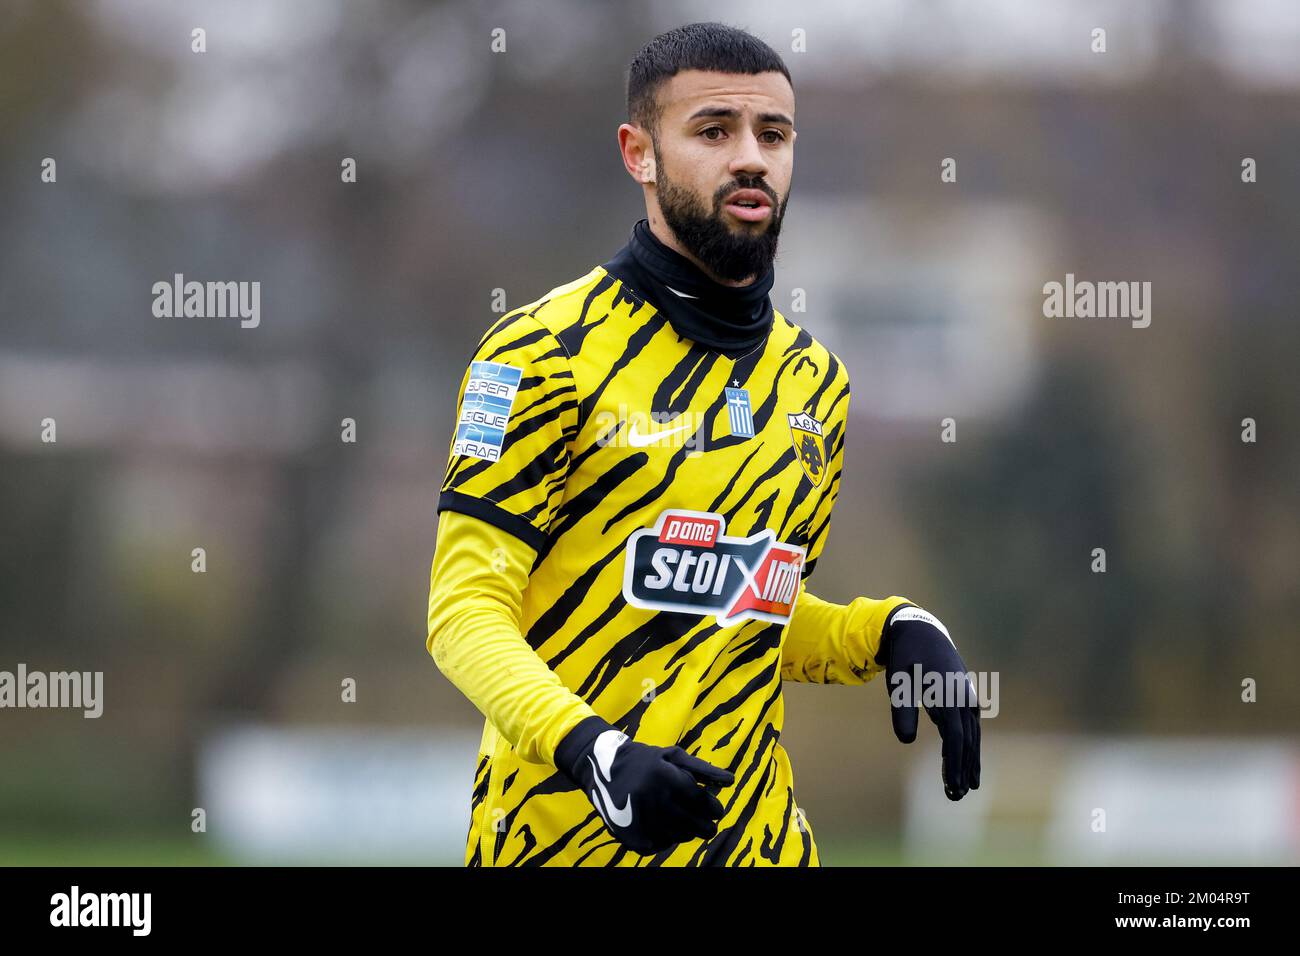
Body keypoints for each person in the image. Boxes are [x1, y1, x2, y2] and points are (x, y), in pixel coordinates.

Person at [427, 21, 979, 867]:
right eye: (714, 131)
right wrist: (595, 752)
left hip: (758, 847)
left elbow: (741, 615)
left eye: (774, 134)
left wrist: (887, 632)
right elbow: (464, 613)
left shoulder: (815, 383)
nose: (751, 158)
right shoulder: (541, 354)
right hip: (562, 847)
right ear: (638, 153)